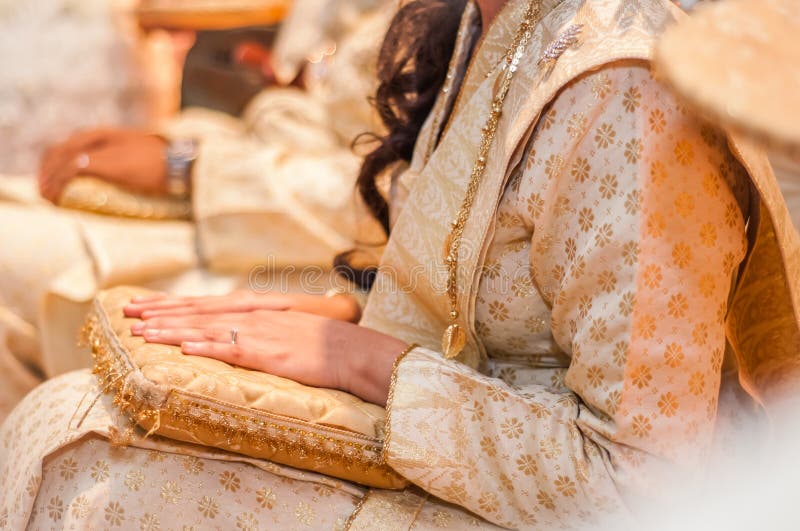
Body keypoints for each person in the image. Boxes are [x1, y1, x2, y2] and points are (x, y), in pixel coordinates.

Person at [2, 0, 799, 528]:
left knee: (82, 459)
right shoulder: (491, 20)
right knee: (72, 413)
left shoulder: (627, 94)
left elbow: (646, 485)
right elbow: (471, 280)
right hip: (400, 388)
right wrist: (346, 311)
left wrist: (371, 361)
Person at [0, 0, 394, 420]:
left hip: (315, 256)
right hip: (252, 205)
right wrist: (175, 147)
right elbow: (300, 124)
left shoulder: (454, 20)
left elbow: (391, 198)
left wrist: (189, 166)